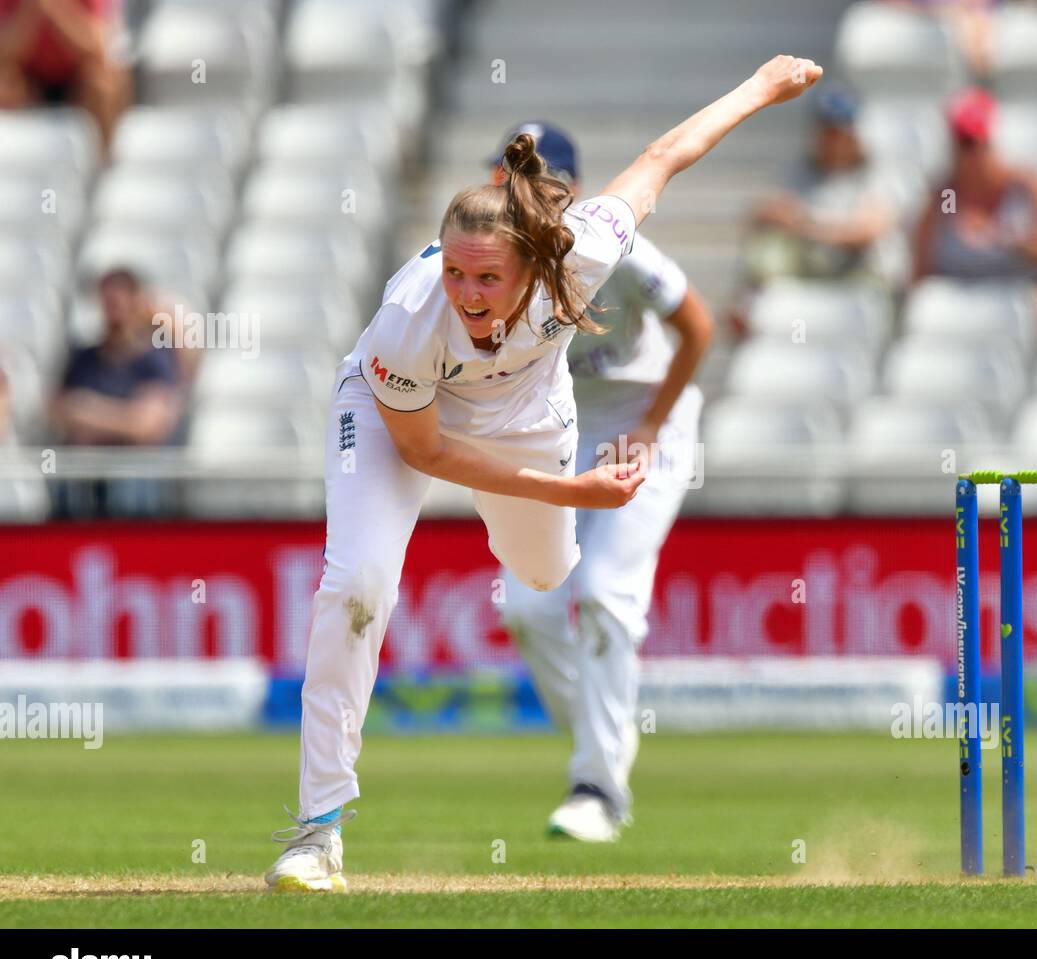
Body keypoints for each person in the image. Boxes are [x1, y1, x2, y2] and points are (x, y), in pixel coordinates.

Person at [265, 54, 825, 892]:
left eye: (487, 276)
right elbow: (427, 455)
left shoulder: (586, 252)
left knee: (542, 577)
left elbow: (664, 157)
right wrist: (576, 492)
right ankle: (317, 833)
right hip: (395, 418)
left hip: (527, 415)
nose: (466, 293)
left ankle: (601, 757)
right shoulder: (408, 320)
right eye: (454, 271)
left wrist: (761, 88)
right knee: (358, 584)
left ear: (532, 265)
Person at [484, 123, 714, 842]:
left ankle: (598, 788)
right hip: (564, 435)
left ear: (572, 191)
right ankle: (599, 745)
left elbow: (697, 328)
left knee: (607, 591)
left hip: (650, 424)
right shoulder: (485, 264)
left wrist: (650, 424)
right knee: (527, 607)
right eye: (511, 177)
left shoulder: (619, 251)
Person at [913, 87, 1037, 317]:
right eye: (963, 143)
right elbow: (920, 272)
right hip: (961, 313)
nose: (971, 154)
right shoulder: (942, 198)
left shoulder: (1028, 188)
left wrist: (1020, 244)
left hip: (1019, 305)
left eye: (976, 142)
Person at [48, 267, 184, 516]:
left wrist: (90, 411)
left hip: (133, 471)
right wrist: (123, 418)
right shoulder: (84, 357)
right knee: (59, 468)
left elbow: (148, 427)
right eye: (107, 301)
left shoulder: (155, 359)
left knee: (131, 479)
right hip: (87, 469)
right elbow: (59, 411)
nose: (113, 310)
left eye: (119, 300)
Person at [743, 83, 894, 285]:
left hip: (856, 269)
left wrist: (808, 227)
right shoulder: (799, 170)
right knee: (768, 249)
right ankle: (753, 307)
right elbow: (767, 212)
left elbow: (869, 230)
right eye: (827, 132)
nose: (833, 141)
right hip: (809, 262)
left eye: (839, 133)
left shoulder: (873, 173)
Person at [0, 0, 131, 152]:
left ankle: (102, 163)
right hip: (29, 83)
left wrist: (55, 8)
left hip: (77, 83)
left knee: (103, 84)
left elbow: (97, 48)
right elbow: (4, 53)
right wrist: (31, 11)